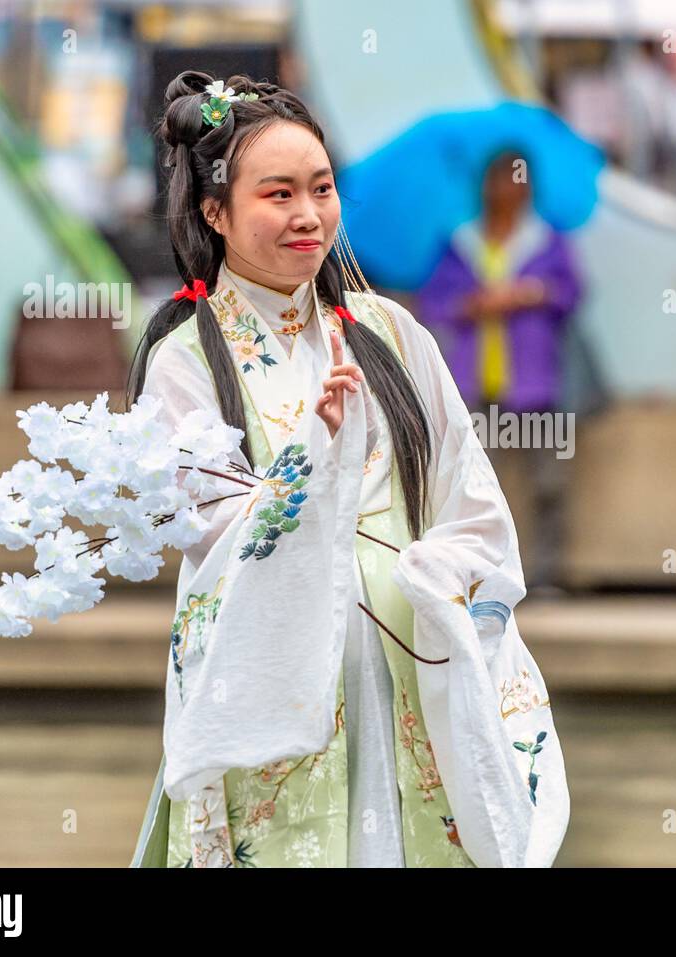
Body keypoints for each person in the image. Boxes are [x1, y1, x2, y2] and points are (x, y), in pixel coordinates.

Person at [126, 72, 567, 868]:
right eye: (278, 194)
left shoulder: (389, 331)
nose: (307, 215)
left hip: (410, 659)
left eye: (322, 189)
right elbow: (218, 539)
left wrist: (434, 579)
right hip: (276, 684)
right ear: (214, 210)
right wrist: (313, 462)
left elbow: (471, 502)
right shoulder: (185, 359)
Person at [418, 148, 583, 594]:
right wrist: (473, 304)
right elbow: (434, 303)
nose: (509, 189)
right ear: (485, 186)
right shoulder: (462, 242)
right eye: (500, 179)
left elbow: (572, 294)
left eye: (518, 179)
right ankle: (481, 573)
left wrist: (532, 293)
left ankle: (544, 574)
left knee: (546, 480)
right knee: (472, 482)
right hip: (475, 379)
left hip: (533, 378)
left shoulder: (547, 241)